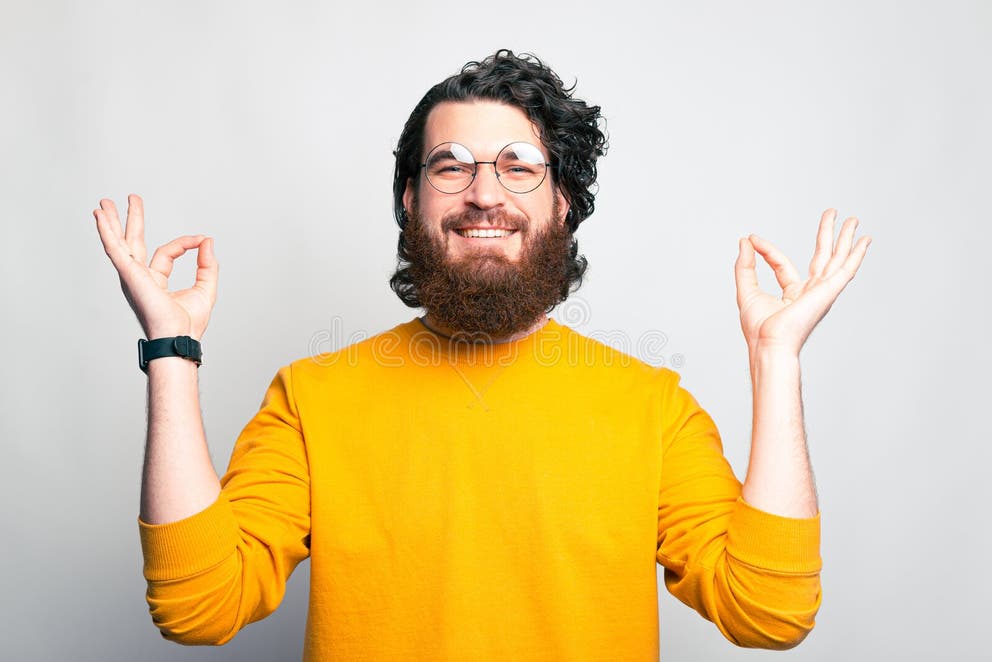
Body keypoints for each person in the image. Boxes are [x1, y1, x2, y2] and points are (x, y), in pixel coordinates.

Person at [93, 50, 870, 661]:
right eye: (451, 165)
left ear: (562, 201)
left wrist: (777, 360)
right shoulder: (312, 396)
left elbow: (770, 615)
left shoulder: (651, 409)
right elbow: (197, 609)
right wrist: (171, 350)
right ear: (411, 200)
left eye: (520, 167)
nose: (485, 194)